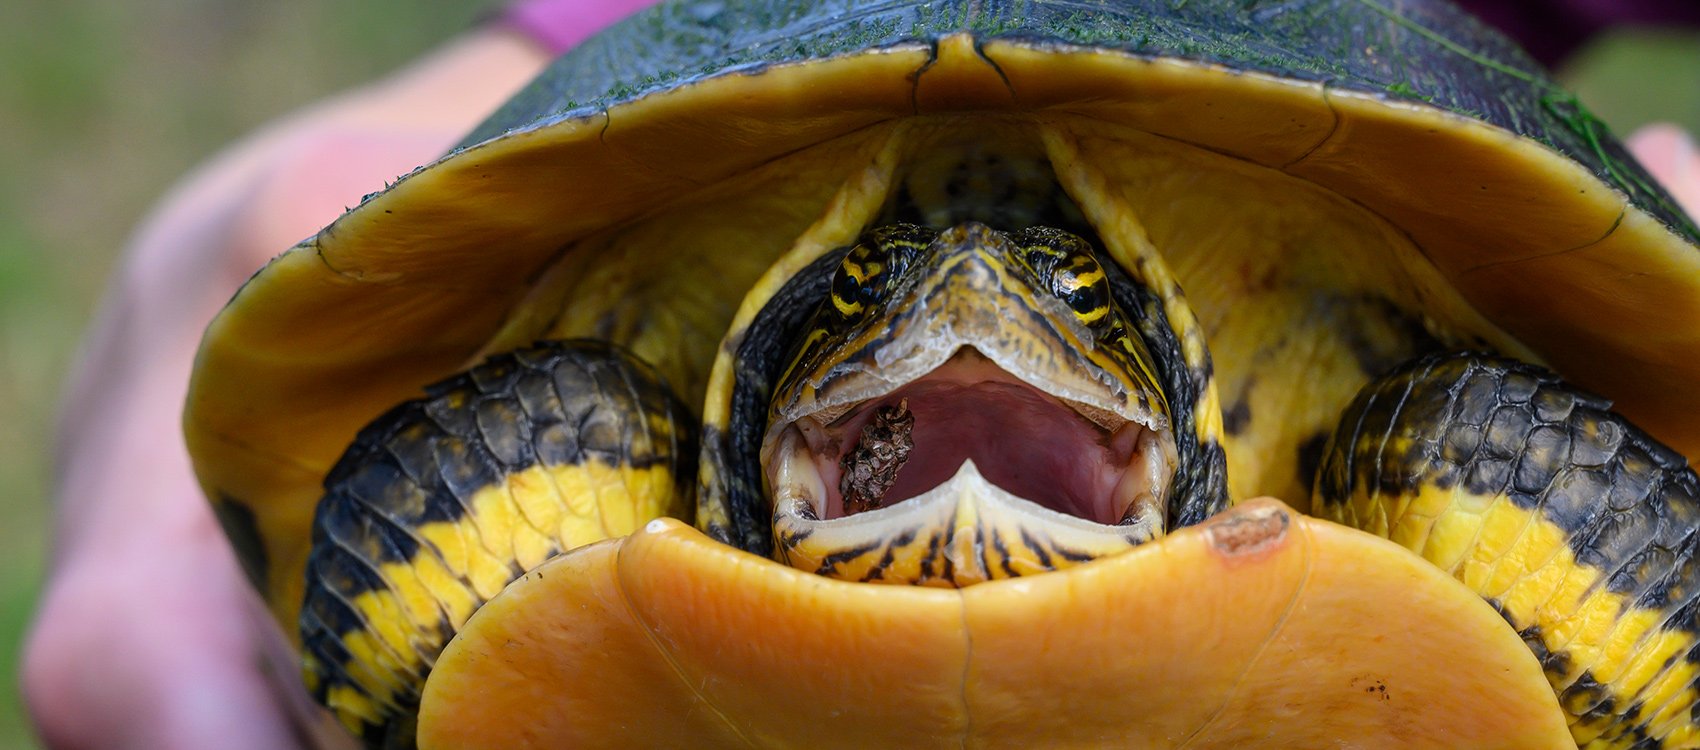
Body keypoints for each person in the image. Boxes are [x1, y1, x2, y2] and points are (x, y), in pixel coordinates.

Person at [20, 0, 1700, 747]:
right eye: (876, 311)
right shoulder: (620, 418)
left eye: (1063, 299)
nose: (969, 305)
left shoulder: (1390, 417)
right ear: (773, 380)